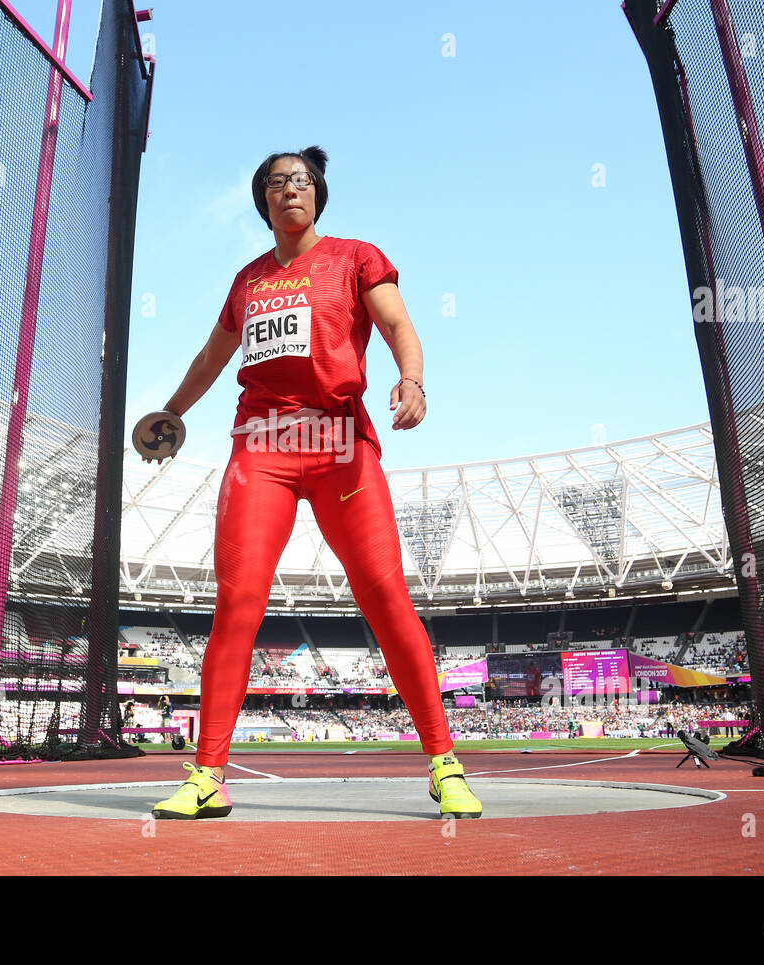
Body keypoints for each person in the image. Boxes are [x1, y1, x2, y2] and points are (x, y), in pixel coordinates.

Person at [147, 146, 482, 820]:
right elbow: (212, 357)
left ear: (317, 193)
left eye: (300, 180)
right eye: (276, 183)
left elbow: (396, 323)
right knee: (237, 599)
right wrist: (171, 414)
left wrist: (411, 378)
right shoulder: (246, 281)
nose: (288, 191)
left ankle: (444, 762)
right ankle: (208, 774)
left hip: (339, 446)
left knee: (386, 594)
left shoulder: (356, 256)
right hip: (262, 449)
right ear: (263, 200)